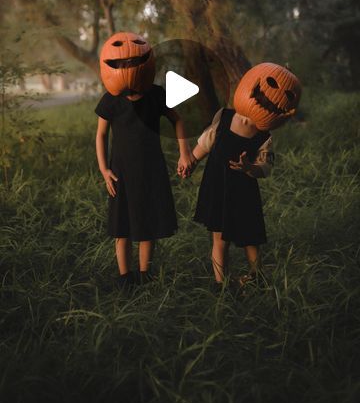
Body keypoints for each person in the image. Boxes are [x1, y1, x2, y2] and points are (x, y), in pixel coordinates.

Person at [95, 31, 194, 288]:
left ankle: (144, 274)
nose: (128, 69)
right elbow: (101, 135)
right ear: (114, 67)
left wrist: (184, 153)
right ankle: (124, 277)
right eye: (122, 65)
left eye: (133, 64)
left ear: (144, 66)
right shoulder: (111, 100)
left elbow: (178, 120)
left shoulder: (155, 95)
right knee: (123, 226)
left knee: (147, 223)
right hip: (121, 172)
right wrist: (104, 169)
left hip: (151, 169)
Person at [190, 62, 301, 286]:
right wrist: (191, 160)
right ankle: (221, 285)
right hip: (218, 186)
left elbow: (266, 166)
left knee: (250, 237)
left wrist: (249, 168)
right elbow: (206, 142)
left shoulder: (263, 135)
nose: (274, 98)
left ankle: (257, 275)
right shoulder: (224, 117)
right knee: (220, 239)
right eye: (269, 85)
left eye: (286, 96)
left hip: (244, 191)